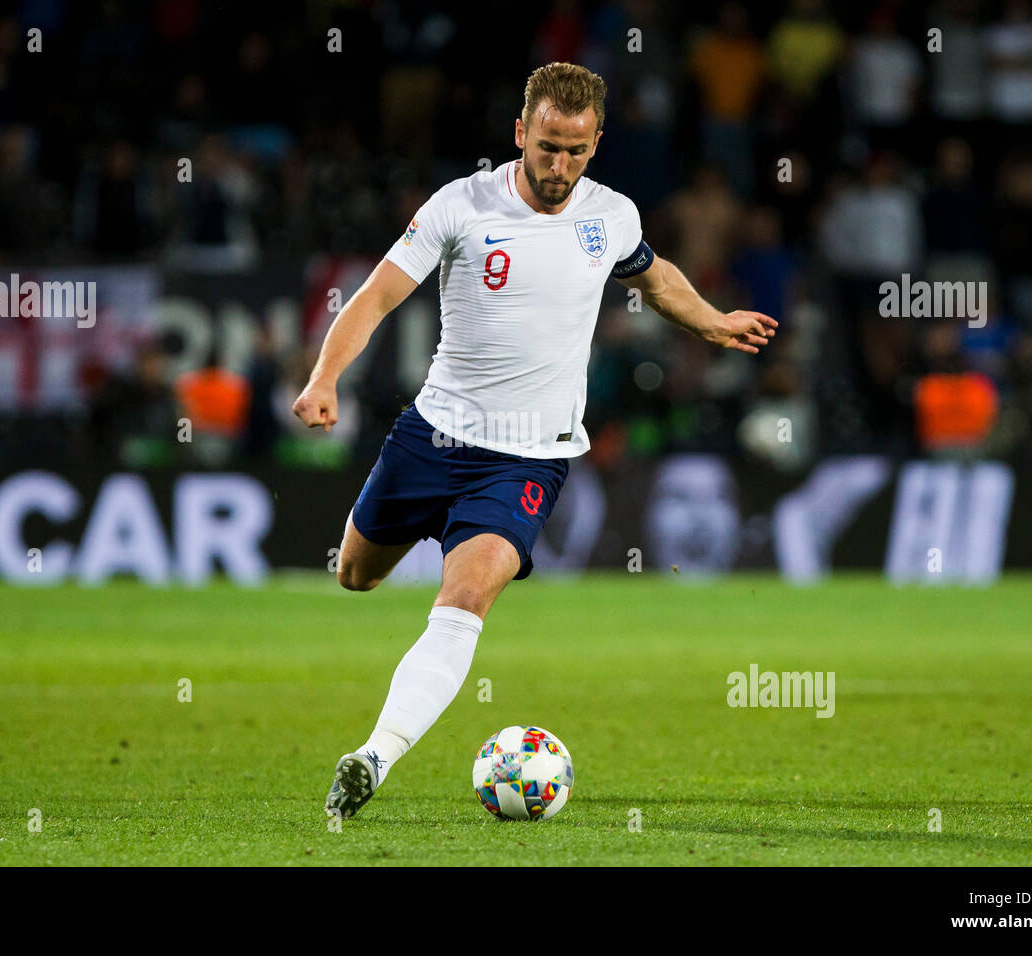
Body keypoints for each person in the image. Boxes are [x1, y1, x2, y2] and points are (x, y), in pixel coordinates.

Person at [292, 62, 777, 819]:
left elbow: (653, 277)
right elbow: (378, 296)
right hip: (433, 435)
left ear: (596, 143)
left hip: (528, 456)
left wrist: (711, 319)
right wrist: (325, 379)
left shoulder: (610, 216)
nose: (559, 166)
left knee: (465, 598)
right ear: (520, 132)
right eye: (547, 146)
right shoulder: (461, 205)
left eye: (576, 151)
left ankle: (372, 758)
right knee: (355, 575)